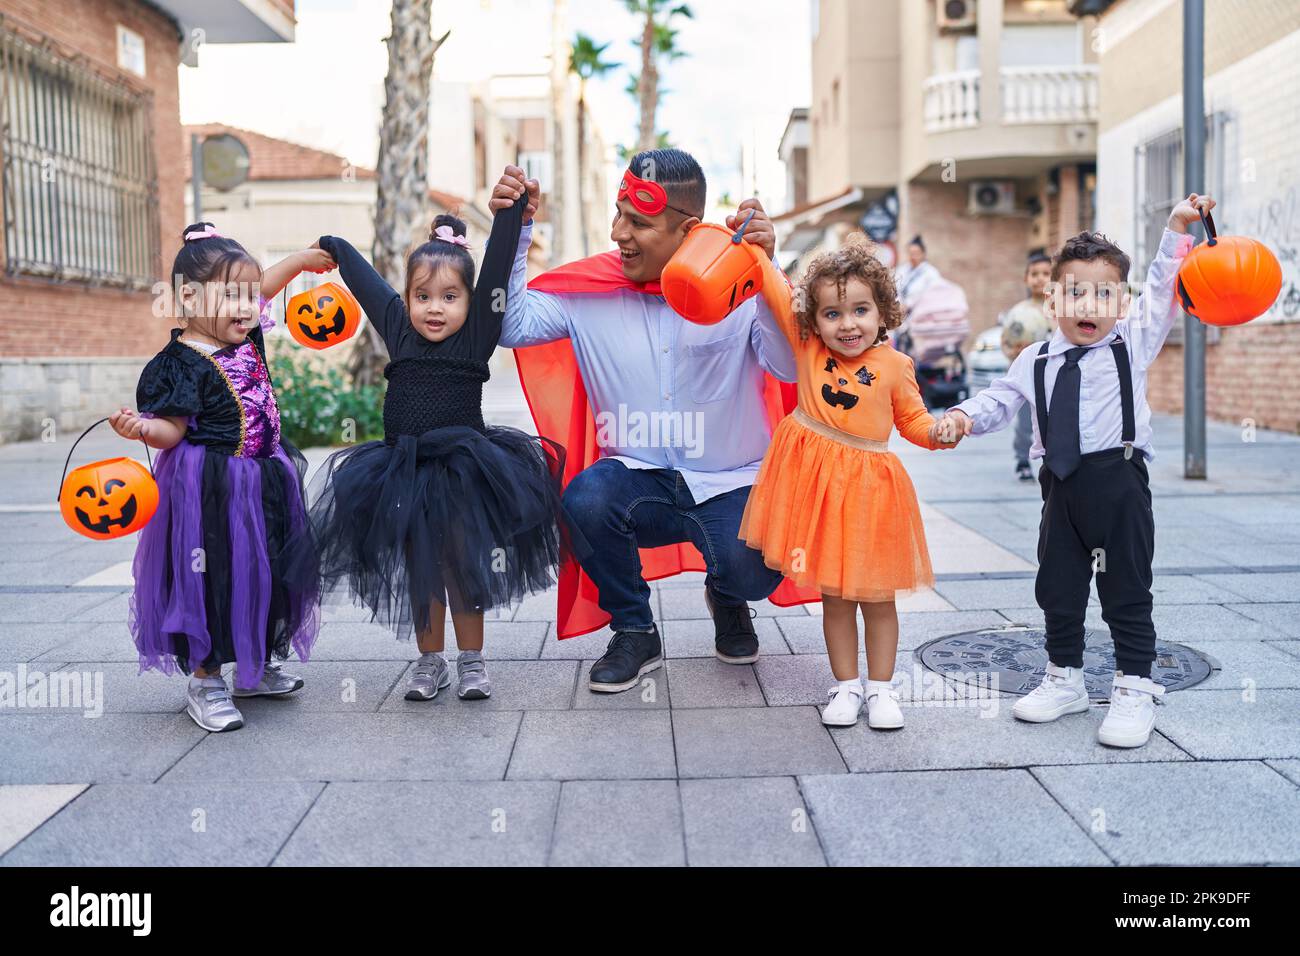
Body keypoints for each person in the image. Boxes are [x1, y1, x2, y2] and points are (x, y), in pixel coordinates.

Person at [499, 150, 813, 694]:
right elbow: (511, 325)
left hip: (732, 482)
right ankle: (635, 630)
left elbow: (787, 365)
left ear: (688, 230)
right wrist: (515, 231)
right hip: (635, 480)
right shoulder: (589, 293)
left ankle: (729, 595)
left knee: (751, 570)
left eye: (639, 222)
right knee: (583, 501)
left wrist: (765, 269)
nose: (620, 232)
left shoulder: (739, 292)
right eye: (618, 213)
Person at [934, 193, 1214, 748]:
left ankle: (1135, 684)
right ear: (1051, 296)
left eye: (1105, 292)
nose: (1090, 303)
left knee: (1125, 589)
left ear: (1121, 301)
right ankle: (1065, 676)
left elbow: (1162, 287)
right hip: (1059, 490)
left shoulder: (1131, 343)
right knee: (1058, 587)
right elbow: (999, 401)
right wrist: (962, 416)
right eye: (1076, 291)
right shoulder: (1034, 359)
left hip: (1119, 485)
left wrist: (1178, 228)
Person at [299, 177, 563, 703]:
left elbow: (494, 270)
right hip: (405, 472)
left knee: (464, 569)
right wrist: (335, 247)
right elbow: (367, 284)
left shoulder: (478, 333)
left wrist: (511, 215)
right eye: (422, 297)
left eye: (449, 296)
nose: (434, 308)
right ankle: (428, 662)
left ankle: (472, 662)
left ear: (472, 300)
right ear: (407, 300)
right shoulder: (398, 328)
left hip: (466, 473)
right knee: (422, 571)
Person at [113, 224, 332, 732]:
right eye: (229, 295)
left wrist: (300, 260)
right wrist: (141, 428)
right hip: (208, 490)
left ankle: (254, 667)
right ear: (187, 299)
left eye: (249, 296)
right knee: (214, 578)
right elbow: (171, 429)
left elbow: (266, 287)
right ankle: (207, 680)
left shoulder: (245, 331)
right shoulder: (178, 364)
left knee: (269, 573)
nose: (246, 306)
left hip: (267, 479)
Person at [740, 237, 962, 728]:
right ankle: (845, 686)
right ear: (814, 321)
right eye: (832, 314)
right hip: (815, 491)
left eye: (861, 310)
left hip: (869, 492)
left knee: (877, 598)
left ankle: (881, 690)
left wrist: (942, 432)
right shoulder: (808, 347)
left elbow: (914, 424)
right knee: (835, 597)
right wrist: (757, 245)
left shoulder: (896, 367)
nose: (847, 325)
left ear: (883, 312)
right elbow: (775, 289)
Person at [999, 250, 1053, 480]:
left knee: (1054, 419)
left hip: (1054, 376)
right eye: (1034, 274)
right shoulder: (1019, 312)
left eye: (1046, 273)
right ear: (1026, 278)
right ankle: (1022, 459)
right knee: (1025, 423)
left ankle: (1053, 458)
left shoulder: (1062, 310)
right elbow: (1007, 342)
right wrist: (1014, 352)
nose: (1040, 278)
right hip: (1027, 377)